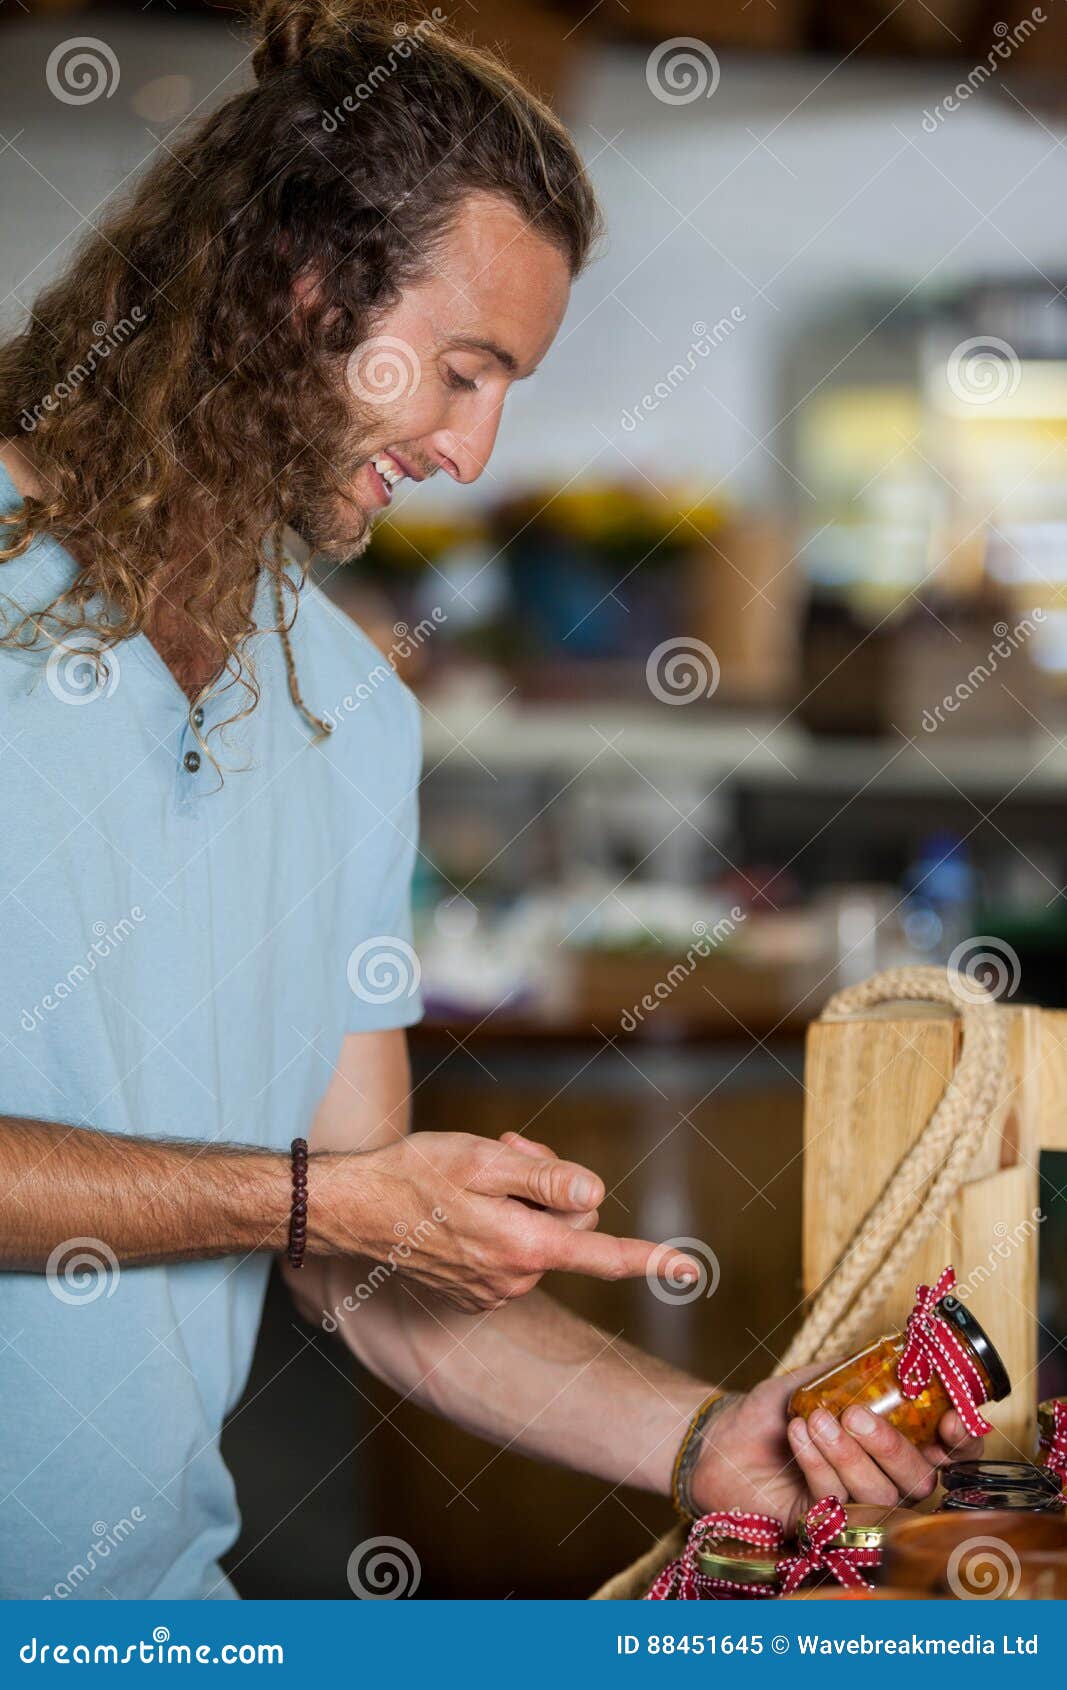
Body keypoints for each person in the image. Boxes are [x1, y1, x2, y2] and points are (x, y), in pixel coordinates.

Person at [0, 2, 978, 1601]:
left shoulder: (350, 719)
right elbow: (326, 1202)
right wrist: (308, 1197)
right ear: (302, 290)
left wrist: (711, 1435)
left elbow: (363, 1264)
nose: (472, 449)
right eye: (463, 372)